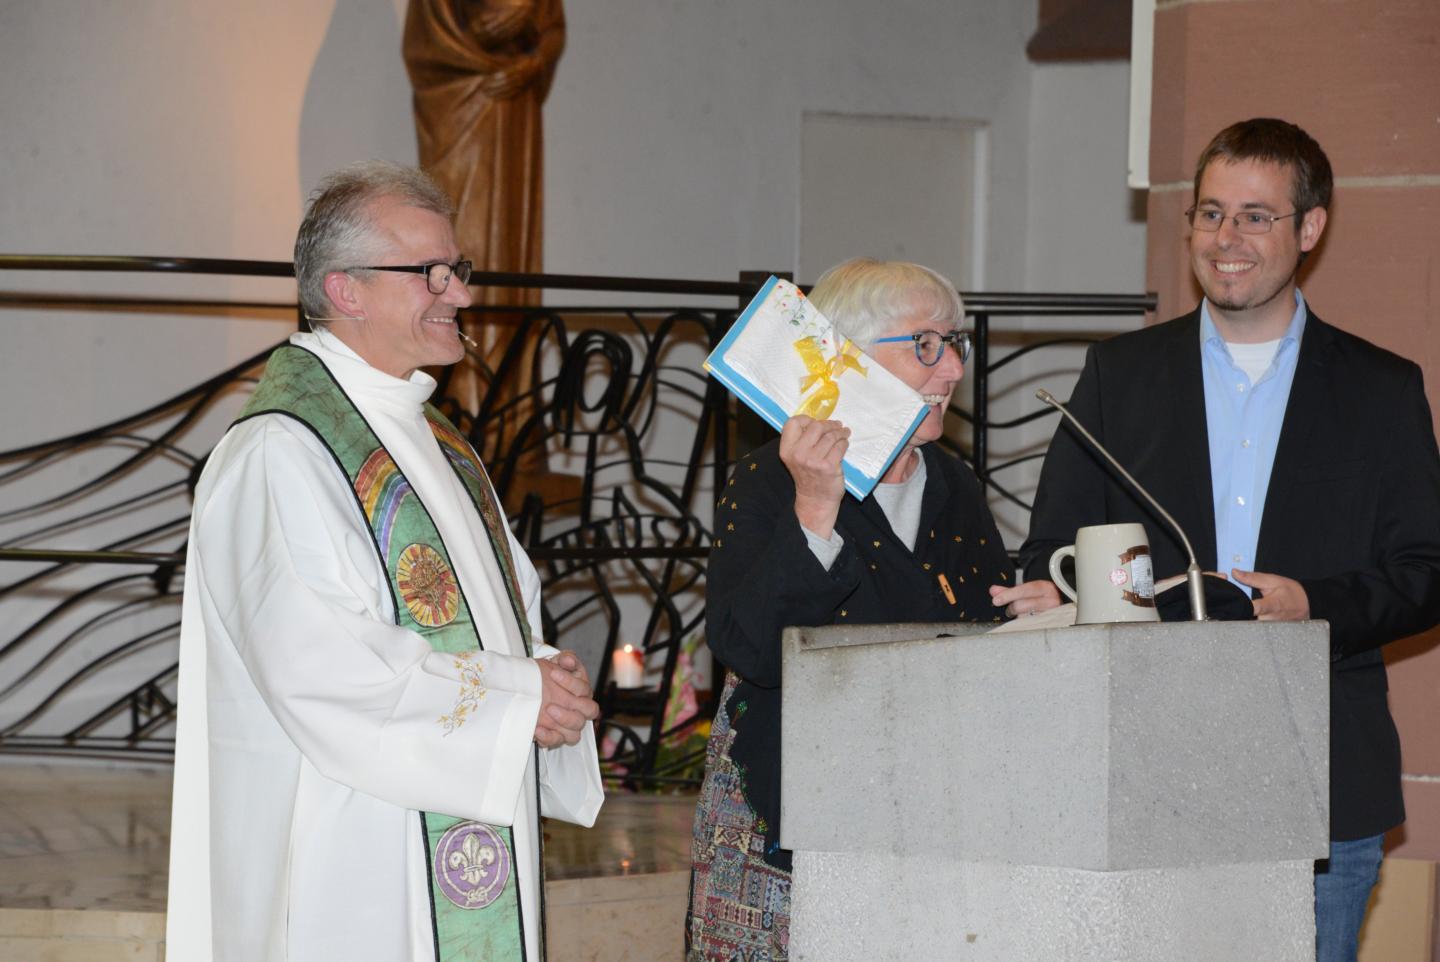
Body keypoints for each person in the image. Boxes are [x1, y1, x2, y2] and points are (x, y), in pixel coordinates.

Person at [1011, 118, 1440, 962]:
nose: (1226, 239)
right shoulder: (1117, 377)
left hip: (1318, 771)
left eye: (1254, 216)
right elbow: (1050, 548)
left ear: (1308, 228)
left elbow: (1426, 571)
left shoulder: (1383, 389)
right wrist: (1050, 595)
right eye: (1209, 214)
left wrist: (1317, 603)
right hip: (1141, 770)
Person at [165, 161, 604, 961]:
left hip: (448, 820)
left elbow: (496, 620)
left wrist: (546, 677)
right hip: (357, 852)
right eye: (431, 271)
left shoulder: (438, 442)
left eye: (459, 269)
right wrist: (515, 700)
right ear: (346, 291)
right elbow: (320, 668)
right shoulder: (282, 449)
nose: (460, 293)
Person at [687, 257, 1016, 961]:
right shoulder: (769, 481)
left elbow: (982, 636)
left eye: (954, 342)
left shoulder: (955, 486)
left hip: (932, 806)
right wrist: (816, 510)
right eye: (926, 344)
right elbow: (745, 645)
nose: (952, 369)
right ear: (849, 362)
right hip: (789, 812)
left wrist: (1036, 614)